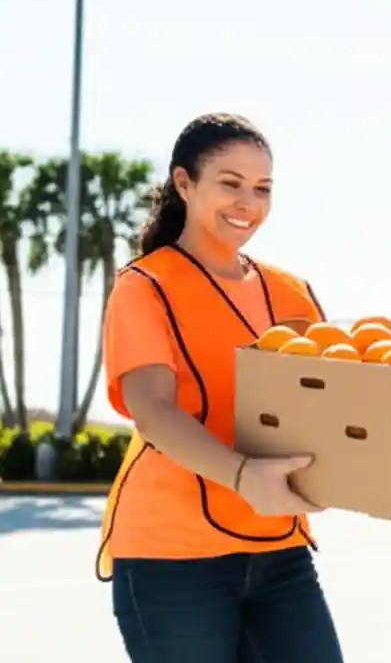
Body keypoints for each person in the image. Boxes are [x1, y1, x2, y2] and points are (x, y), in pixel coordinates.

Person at [96, 113, 345, 662]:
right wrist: (242, 475)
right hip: (170, 557)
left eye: (262, 189)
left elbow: (334, 403)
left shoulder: (291, 291)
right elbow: (154, 412)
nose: (247, 203)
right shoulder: (145, 287)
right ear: (184, 183)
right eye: (229, 184)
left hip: (279, 551)